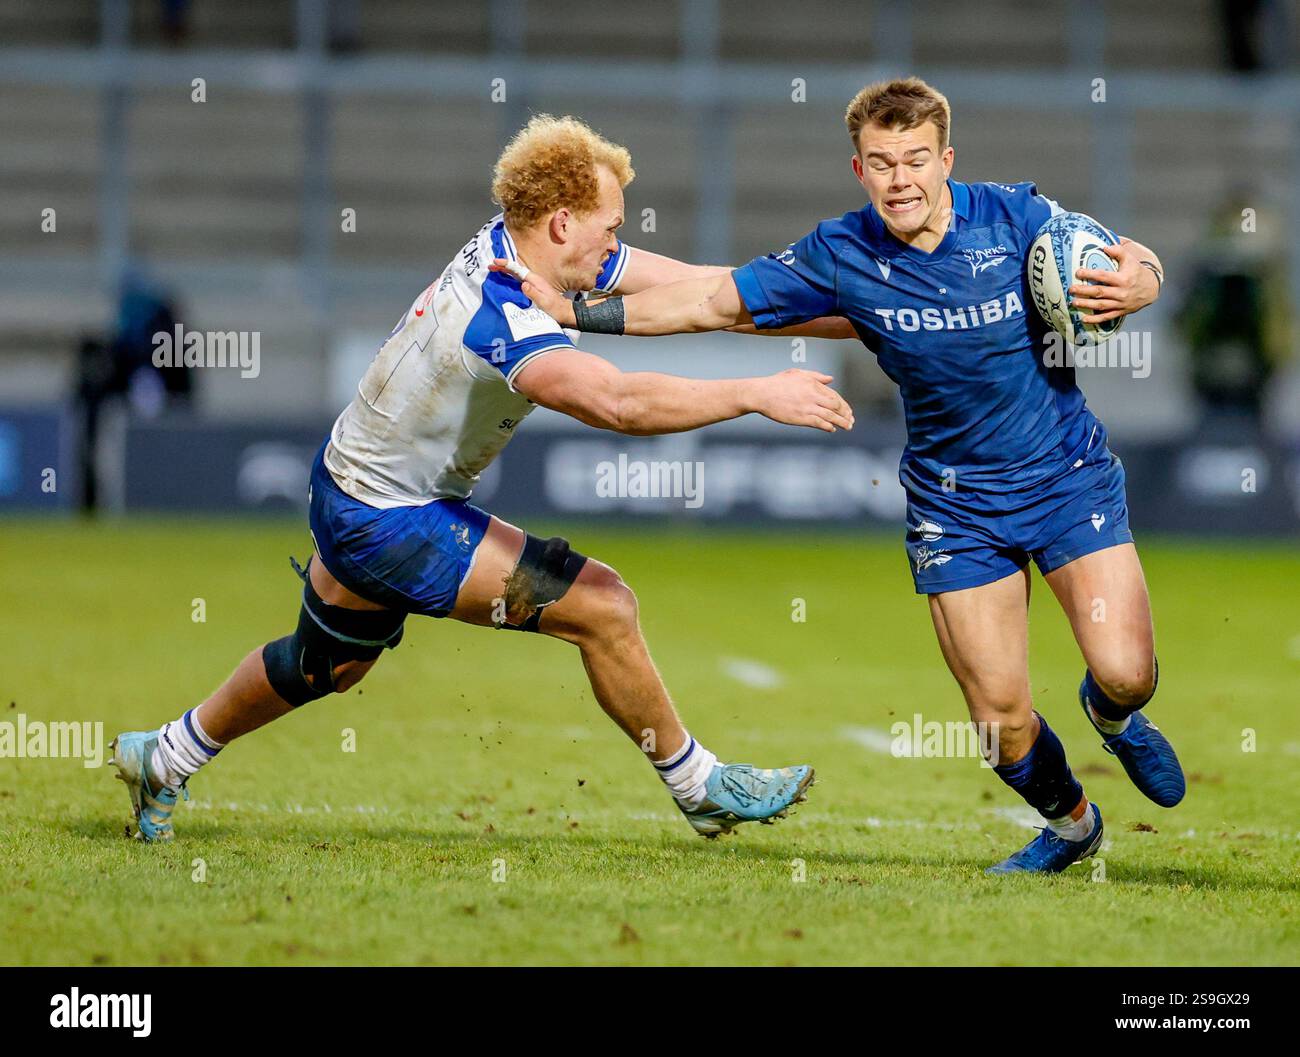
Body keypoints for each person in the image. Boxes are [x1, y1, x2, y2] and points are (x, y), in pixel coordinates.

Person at [110, 115, 855, 843]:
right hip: (391, 515)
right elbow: (614, 401)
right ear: (563, 222)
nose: (618, 243)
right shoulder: (498, 299)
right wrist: (756, 392)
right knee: (604, 605)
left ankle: (165, 754)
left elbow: (708, 290)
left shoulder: (535, 246)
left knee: (326, 663)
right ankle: (700, 786)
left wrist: (853, 313)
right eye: (611, 226)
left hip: (348, 482)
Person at [504, 81, 1185, 875]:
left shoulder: (1017, 216)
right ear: (858, 168)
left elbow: (1125, 255)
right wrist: (573, 311)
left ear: (947, 160)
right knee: (1000, 722)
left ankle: (1111, 714)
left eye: (917, 160)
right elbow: (716, 303)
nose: (901, 178)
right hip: (956, 510)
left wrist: (1143, 278)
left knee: (1127, 671)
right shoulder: (841, 253)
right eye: (883, 163)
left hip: (1066, 481)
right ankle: (1073, 827)